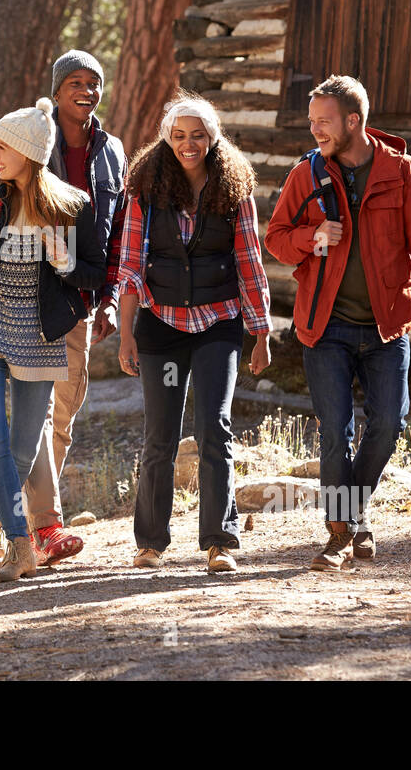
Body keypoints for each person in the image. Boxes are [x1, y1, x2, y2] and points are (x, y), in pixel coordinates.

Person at [265, 75, 411, 572]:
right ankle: (341, 534)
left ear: (353, 121)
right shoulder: (307, 173)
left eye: (323, 121)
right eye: (311, 121)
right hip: (326, 326)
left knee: (389, 425)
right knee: (334, 432)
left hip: (388, 326)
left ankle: (352, 514)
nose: (315, 130)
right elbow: (275, 238)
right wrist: (312, 236)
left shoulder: (401, 173)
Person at [0, 50, 126, 567]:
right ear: (56, 88)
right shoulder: (22, 137)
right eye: (75, 81)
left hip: (66, 308)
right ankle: (39, 527)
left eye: (94, 82)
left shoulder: (111, 152)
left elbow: (110, 238)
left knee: (59, 417)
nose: (86, 90)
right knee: (26, 425)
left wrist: (107, 297)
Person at [116, 91, 272, 572]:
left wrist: (260, 332)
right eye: (179, 136)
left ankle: (219, 542)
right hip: (161, 326)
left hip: (217, 324)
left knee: (214, 429)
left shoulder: (233, 190)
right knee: (159, 436)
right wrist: (126, 335)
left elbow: (249, 262)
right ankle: (151, 543)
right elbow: (130, 267)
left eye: (198, 136)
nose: (189, 144)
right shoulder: (146, 188)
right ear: (167, 139)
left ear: (212, 138)